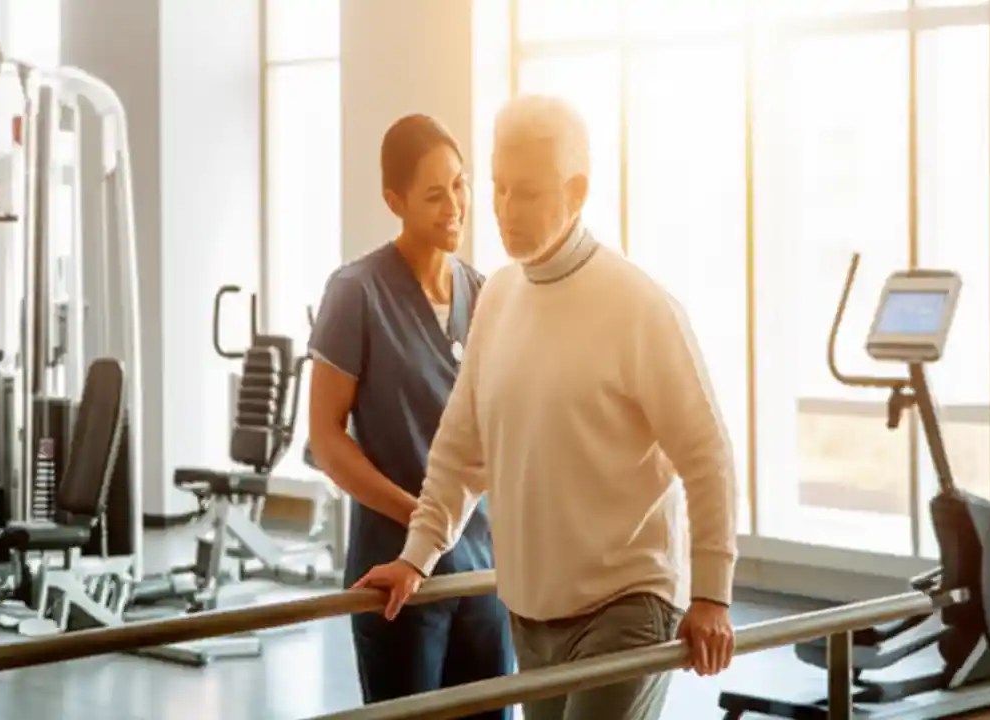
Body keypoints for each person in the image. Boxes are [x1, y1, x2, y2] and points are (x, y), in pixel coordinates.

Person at [351, 94, 739, 720]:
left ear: (576, 190)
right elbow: (460, 450)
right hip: (531, 613)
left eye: (525, 193)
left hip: (627, 602)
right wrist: (415, 557)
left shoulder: (638, 306)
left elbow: (707, 455)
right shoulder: (499, 297)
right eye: (499, 188)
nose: (503, 211)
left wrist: (712, 595)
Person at [307, 114, 515, 717]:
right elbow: (325, 439)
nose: (454, 205)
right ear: (393, 200)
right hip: (396, 571)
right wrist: (422, 518)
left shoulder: (485, 295)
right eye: (433, 194)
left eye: (460, 185)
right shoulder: (356, 293)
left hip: (483, 573)